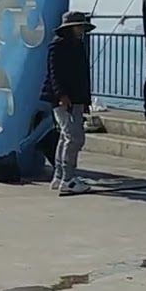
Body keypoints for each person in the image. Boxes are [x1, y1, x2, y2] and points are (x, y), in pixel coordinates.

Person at [42, 11, 95, 194]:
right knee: (74, 137)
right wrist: (62, 95)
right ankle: (68, 178)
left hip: (77, 97)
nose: (81, 30)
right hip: (64, 98)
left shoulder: (78, 45)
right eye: (79, 26)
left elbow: (82, 75)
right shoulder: (58, 46)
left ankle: (59, 175)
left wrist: (85, 100)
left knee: (66, 136)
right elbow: (54, 73)